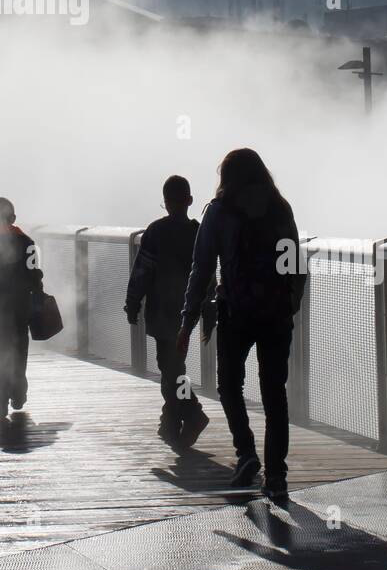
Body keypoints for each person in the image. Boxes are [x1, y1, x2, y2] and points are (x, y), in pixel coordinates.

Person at [177, 148, 305, 503]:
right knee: (274, 394)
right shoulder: (280, 208)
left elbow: (201, 268)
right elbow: (295, 261)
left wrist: (187, 321)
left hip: (236, 313)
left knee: (230, 386)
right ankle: (277, 476)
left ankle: (246, 453)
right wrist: (290, 303)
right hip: (276, 315)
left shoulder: (218, 212)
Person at [124, 175, 210, 450]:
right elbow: (206, 274)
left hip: (162, 312)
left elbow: (143, 271)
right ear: (190, 201)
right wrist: (209, 308)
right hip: (187, 312)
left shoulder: (156, 231)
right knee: (174, 368)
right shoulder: (198, 233)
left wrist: (133, 301)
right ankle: (171, 423)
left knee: (170, 370)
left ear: (165, 202)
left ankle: (192, 415)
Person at [0, 198, 43, 419]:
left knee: (0, 349)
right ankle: (18, 391)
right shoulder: (27, 242)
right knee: (19, 347)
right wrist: (39, 295)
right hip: (20, 304)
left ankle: (1, 397)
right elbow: (35, 274)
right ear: (13, 218)